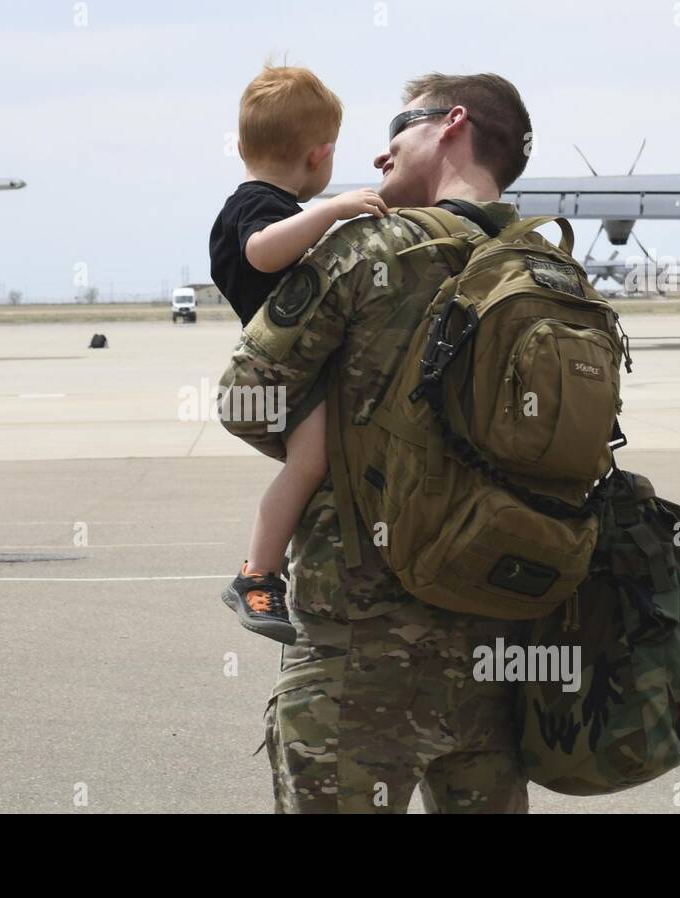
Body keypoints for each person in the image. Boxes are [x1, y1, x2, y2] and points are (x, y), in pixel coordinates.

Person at [219, 73, 536, 813]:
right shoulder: (546, 267)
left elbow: (245, 399)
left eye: (400, 128)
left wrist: (336, 439)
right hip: (499, 644)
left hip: (360, 649)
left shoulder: (369, 250)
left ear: (452, 125)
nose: (379, 152)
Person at [209, 64, 387, 645]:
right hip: (285, 376)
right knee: (309, 465)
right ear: (321, 155)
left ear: (242, 145)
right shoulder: (257, 205)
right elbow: (261, 252)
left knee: (324, 467)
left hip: (295, 371)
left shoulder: (269, 202)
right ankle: (257, 573)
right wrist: (331, 211)